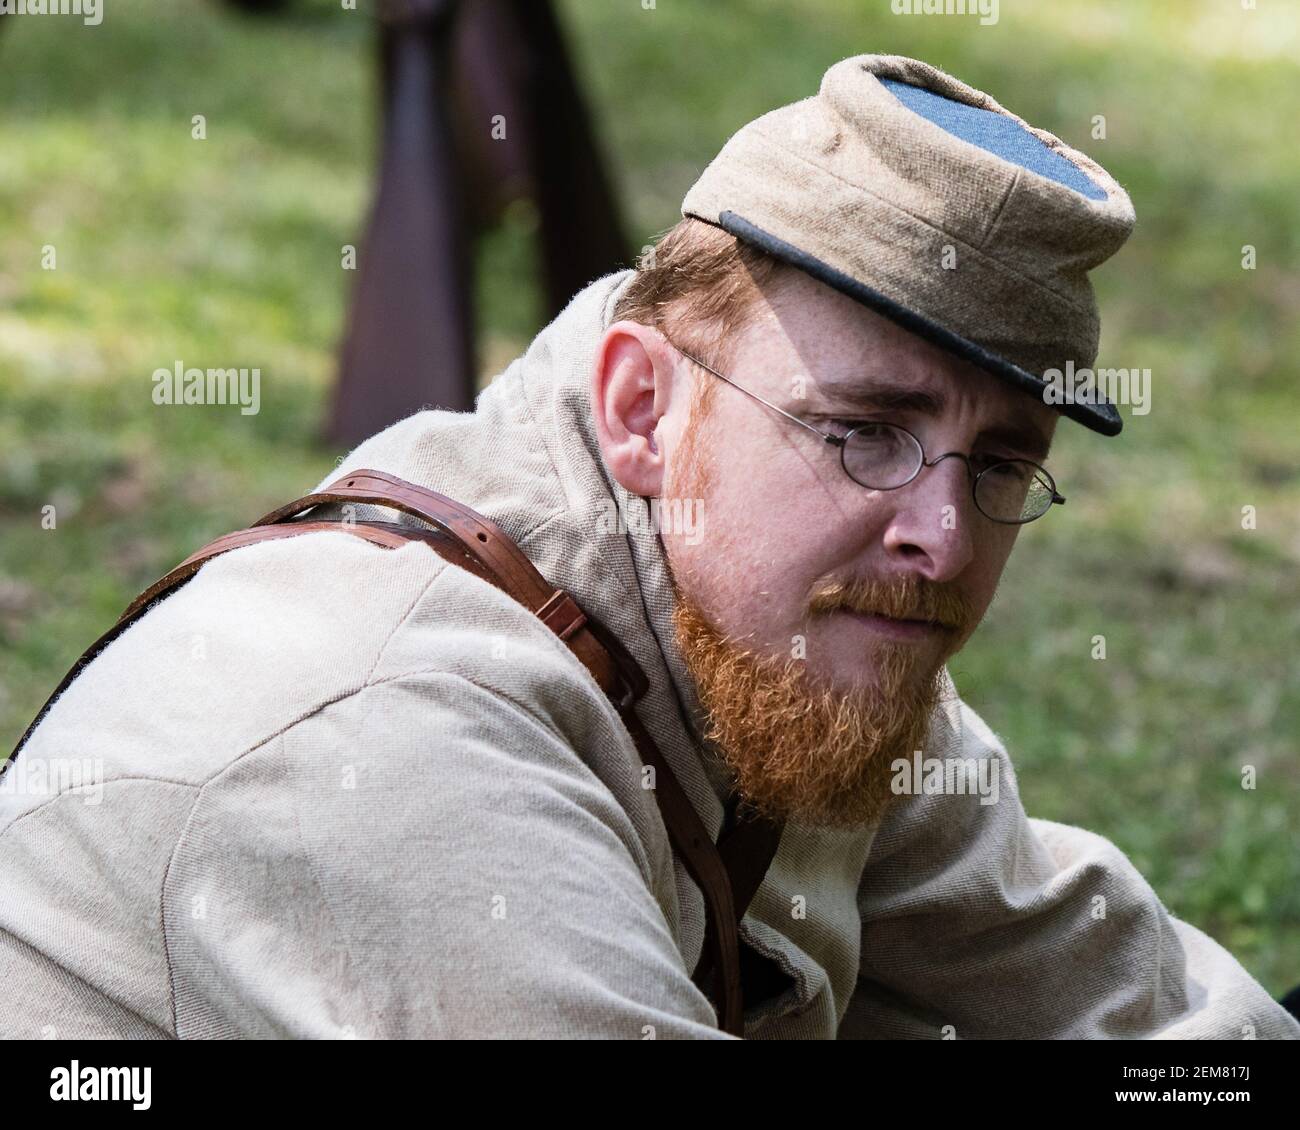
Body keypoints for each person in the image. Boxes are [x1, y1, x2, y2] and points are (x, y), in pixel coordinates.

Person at [2, 53, 1295, 1040]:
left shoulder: (780, 629)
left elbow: (1128, 1000)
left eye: (1002, 460)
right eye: (864, 431)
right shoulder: (392, 738)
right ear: (639, 406)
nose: (944, 537)